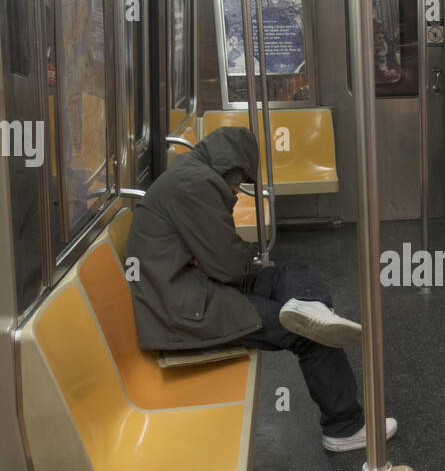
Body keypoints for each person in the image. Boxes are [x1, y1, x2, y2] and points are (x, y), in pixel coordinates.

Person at [125, 126, 396, 452]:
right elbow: (228, 265)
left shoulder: (192, 174)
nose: (238, 189)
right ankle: (345, 427)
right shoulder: (196, 184)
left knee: (291, 270)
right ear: (230, 166)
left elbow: (220, 258)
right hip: (185, 309)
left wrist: (208, 256)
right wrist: (217, 256)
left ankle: (311, 306)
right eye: (239, 180)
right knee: (308, 335)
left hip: (190, 288)